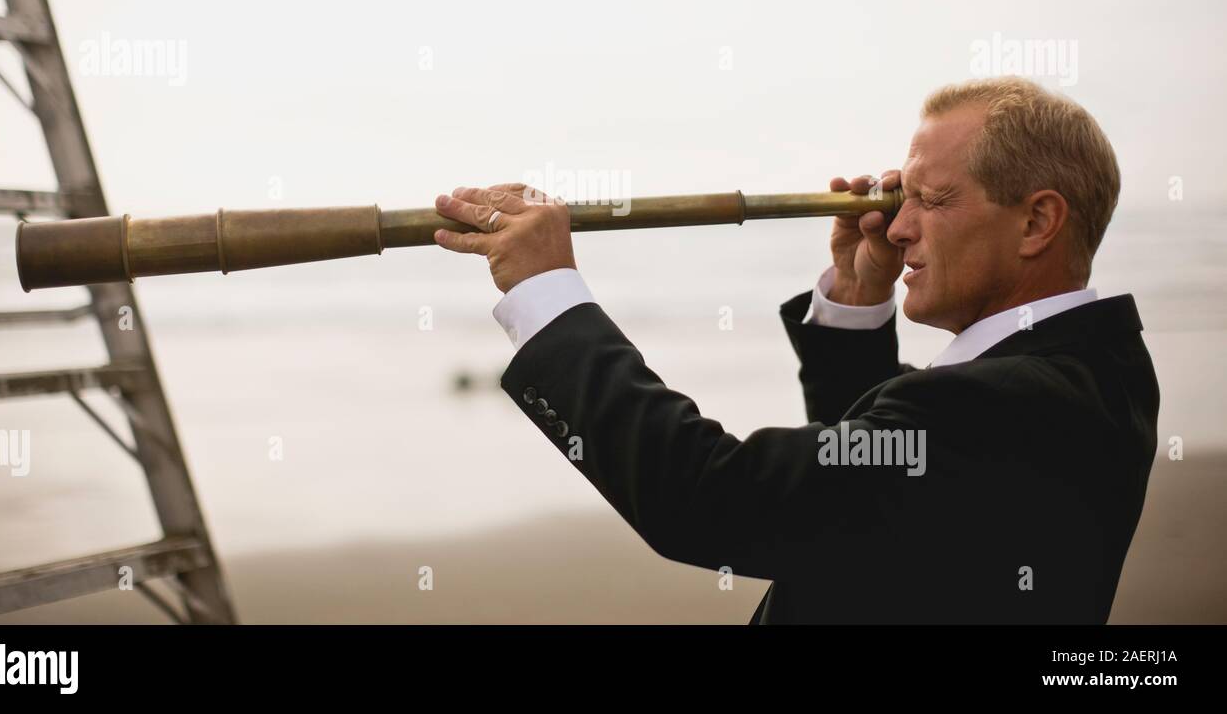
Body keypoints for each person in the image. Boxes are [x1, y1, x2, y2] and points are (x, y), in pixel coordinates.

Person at [431, 76, 1158, 623]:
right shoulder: (1100, 370)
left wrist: (549, 295)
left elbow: (710, 497)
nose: (899, 229)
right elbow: (876, 497)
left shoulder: (994, 407)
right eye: (904, 200)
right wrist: (855, 303)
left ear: (1037, 222)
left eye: (932, 202)